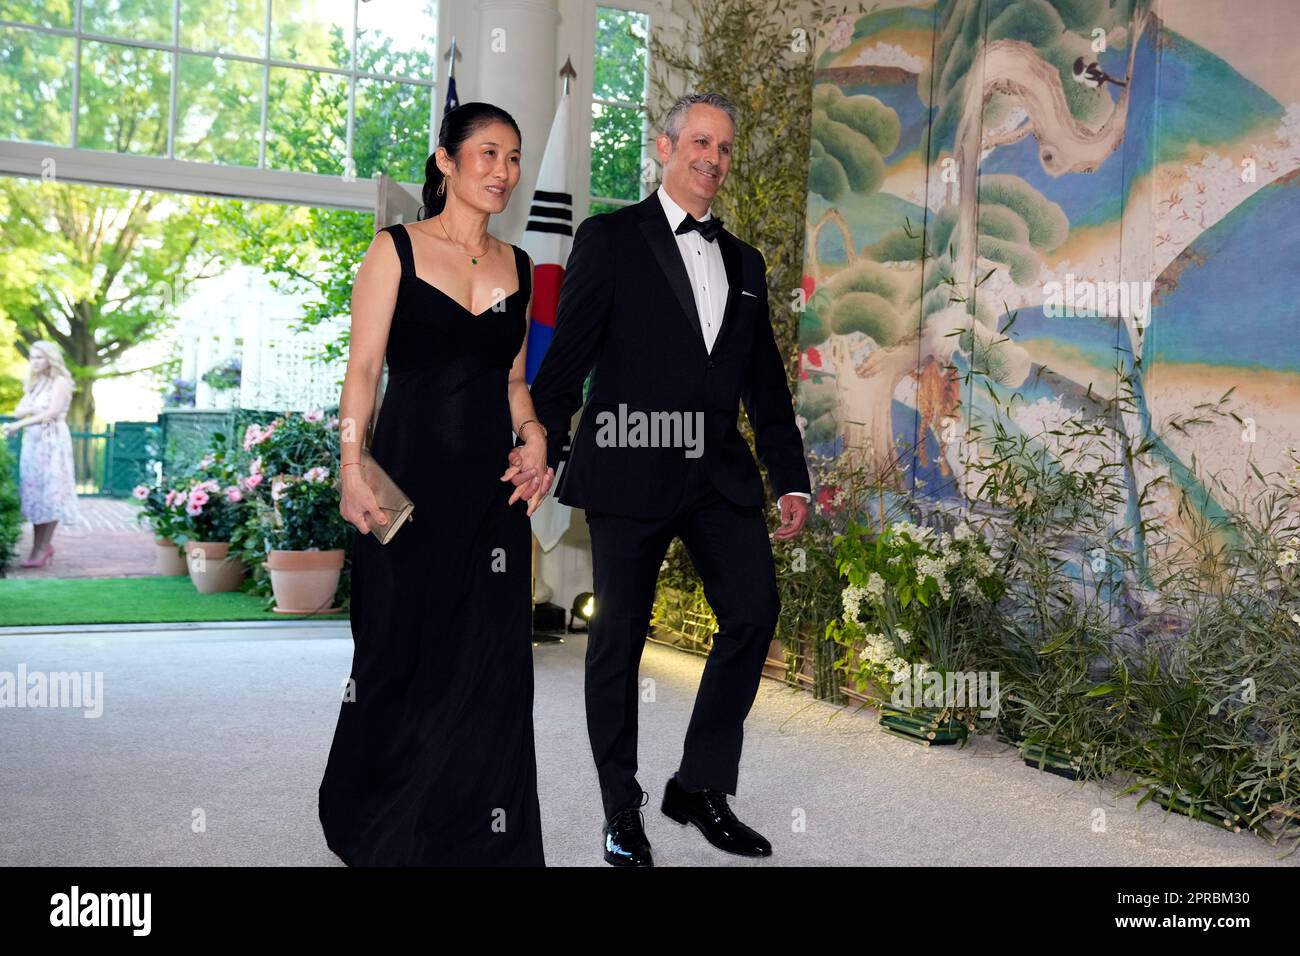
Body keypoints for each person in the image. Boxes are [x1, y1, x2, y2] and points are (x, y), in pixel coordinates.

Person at [521, 92, 811, 866]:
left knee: (753, 612)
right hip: (627, 462)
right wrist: (539, 440)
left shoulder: (745, 262)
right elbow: (569, 357)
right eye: (701, 143)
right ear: (666, 145)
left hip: (717, 472)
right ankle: (622, 808)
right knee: (618, 637)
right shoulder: (611, 239)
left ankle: (700, 786)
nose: (712, 159)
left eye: (724, 149)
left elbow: (767, 385)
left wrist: (792, 478)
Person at [319, 102, 554, 866]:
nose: (504, 172)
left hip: (491, 498)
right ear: (448, 161)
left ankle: (472, 835)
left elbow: (515, 381)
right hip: (406, 489)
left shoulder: (518, 266)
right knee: (396, 651)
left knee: (487, 666)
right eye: (487, 153)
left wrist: (536, 438)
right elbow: (360, 373)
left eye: (514, 158)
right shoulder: (396, 251)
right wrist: (351, 468)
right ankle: (382, 825)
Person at [2, 341, 81, 568]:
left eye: (39, 357)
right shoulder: (36, 384)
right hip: (33, 445)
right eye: (32, 357)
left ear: (50, 359)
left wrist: (21, 423)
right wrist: (35, 412)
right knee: (35, 494)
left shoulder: (60, 382)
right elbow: (18, 411)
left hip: (52, 442)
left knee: (51, 493)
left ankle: (43, 547)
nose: (34, 361)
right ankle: (38, 546)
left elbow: (53, 413)